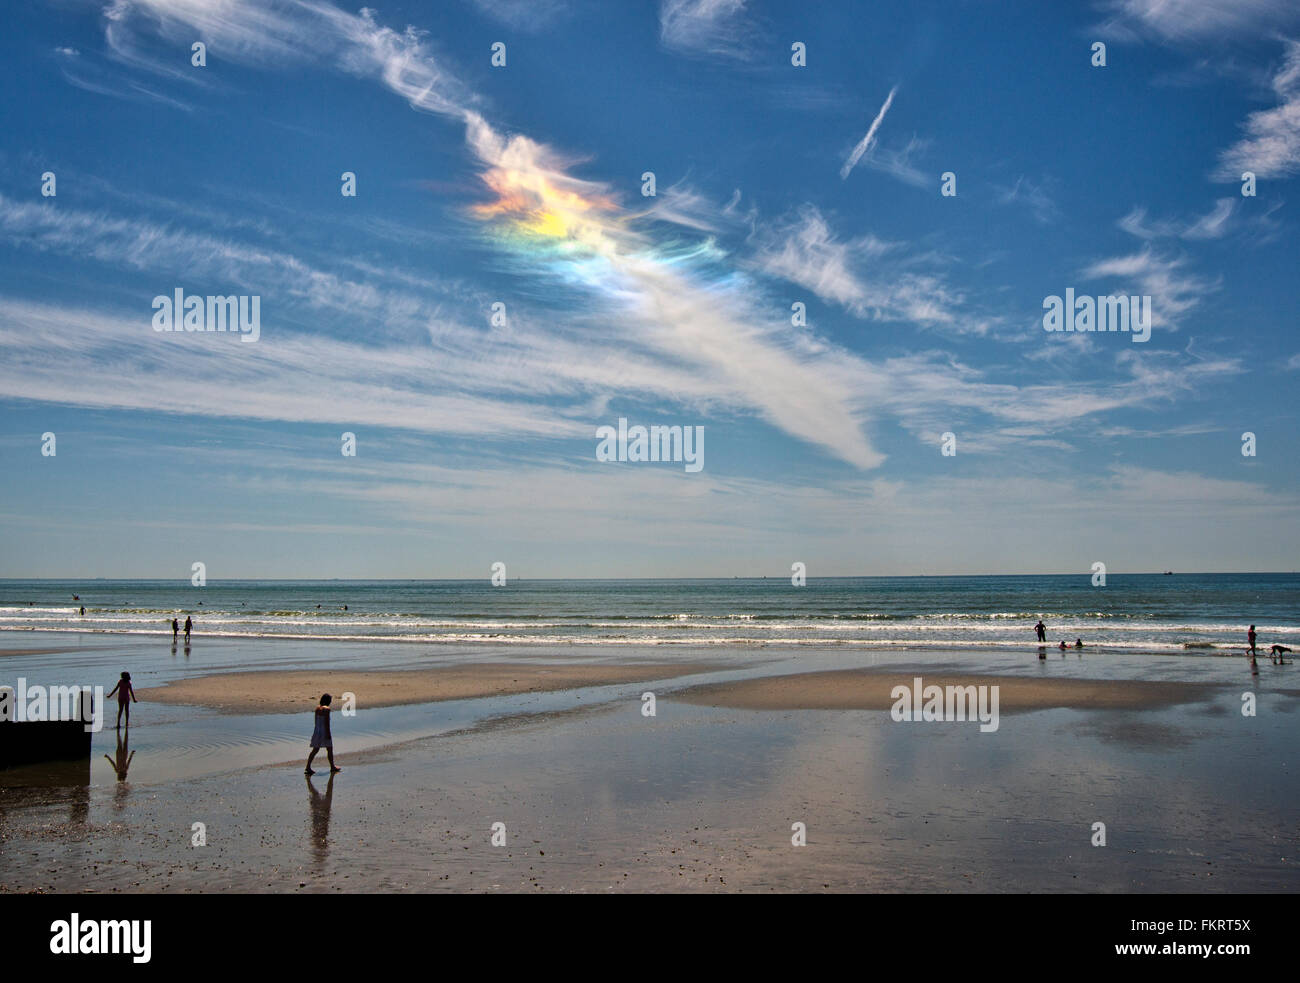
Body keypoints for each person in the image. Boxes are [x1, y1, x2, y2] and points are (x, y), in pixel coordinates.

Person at [305, 694, 342, 775]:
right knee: (329, 749)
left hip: (317, 730)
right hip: (324, 731)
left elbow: (316, 721)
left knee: (315, 750)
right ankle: (332, 767)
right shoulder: (327, 709)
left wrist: (316, 731)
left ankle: (308, 767)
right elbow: (326, 723)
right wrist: (328, 734)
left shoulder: (317, 708)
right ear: (328, 701)